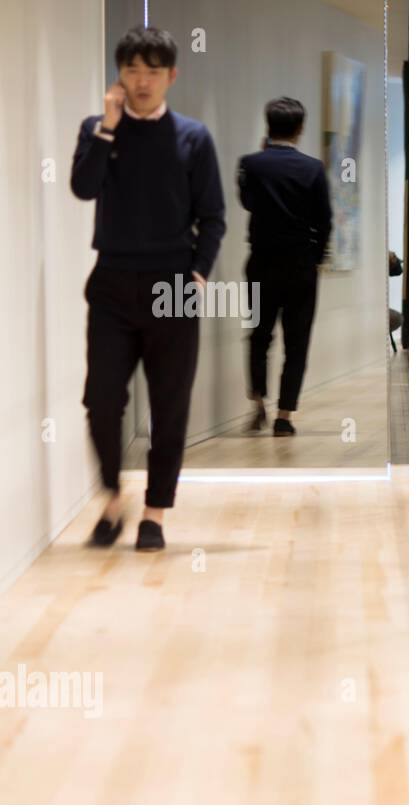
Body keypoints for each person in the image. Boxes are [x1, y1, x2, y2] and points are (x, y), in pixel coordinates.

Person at [71, 25, 226, 553]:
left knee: (170, 404)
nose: (141, 81)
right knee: (101, 398)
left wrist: (198, 274)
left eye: (152, 71)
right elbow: (83, 187)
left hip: (174, 283)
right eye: (132, 70)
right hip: (112, 281)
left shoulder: (193, 137)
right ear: (120, 74)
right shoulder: (98, 129)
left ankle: (155, 513)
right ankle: (114, 497)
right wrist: (108, 130)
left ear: (171, 76)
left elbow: (214, 217)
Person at [237, 96, 332, 435]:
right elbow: (324, 221)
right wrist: (316, 258)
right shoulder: (313, 168)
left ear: (268, 125)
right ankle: (284, 417)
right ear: (301, 128)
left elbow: (247, 202)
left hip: (261, 262)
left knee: (259, 335)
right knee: (297, 342)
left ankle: (258, 403)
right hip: (300, 266)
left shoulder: (250, 164)